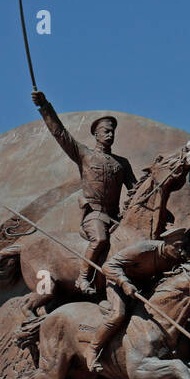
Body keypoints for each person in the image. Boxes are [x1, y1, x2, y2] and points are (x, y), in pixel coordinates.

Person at [31, 90, 136, 295]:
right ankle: (83, 278)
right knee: (100, 240)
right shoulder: (85, 155)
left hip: (116, 218)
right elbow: (61, 134)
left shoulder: (122, 164)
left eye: (112, 131)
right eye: (106, 130)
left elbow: (135, 190)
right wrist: (45, 107)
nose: (110, 134)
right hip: (94, 216)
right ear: (96, 134)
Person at [90, 234, 187, 372]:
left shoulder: (173, 257)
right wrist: (124, 283)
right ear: (166, 243)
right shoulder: (144, 249)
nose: (179, 250)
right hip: (117, 282)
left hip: (141, 285)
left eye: (181, 246)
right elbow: (108, 266)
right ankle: (93, 349)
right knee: (118, 314)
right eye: (176, 246)